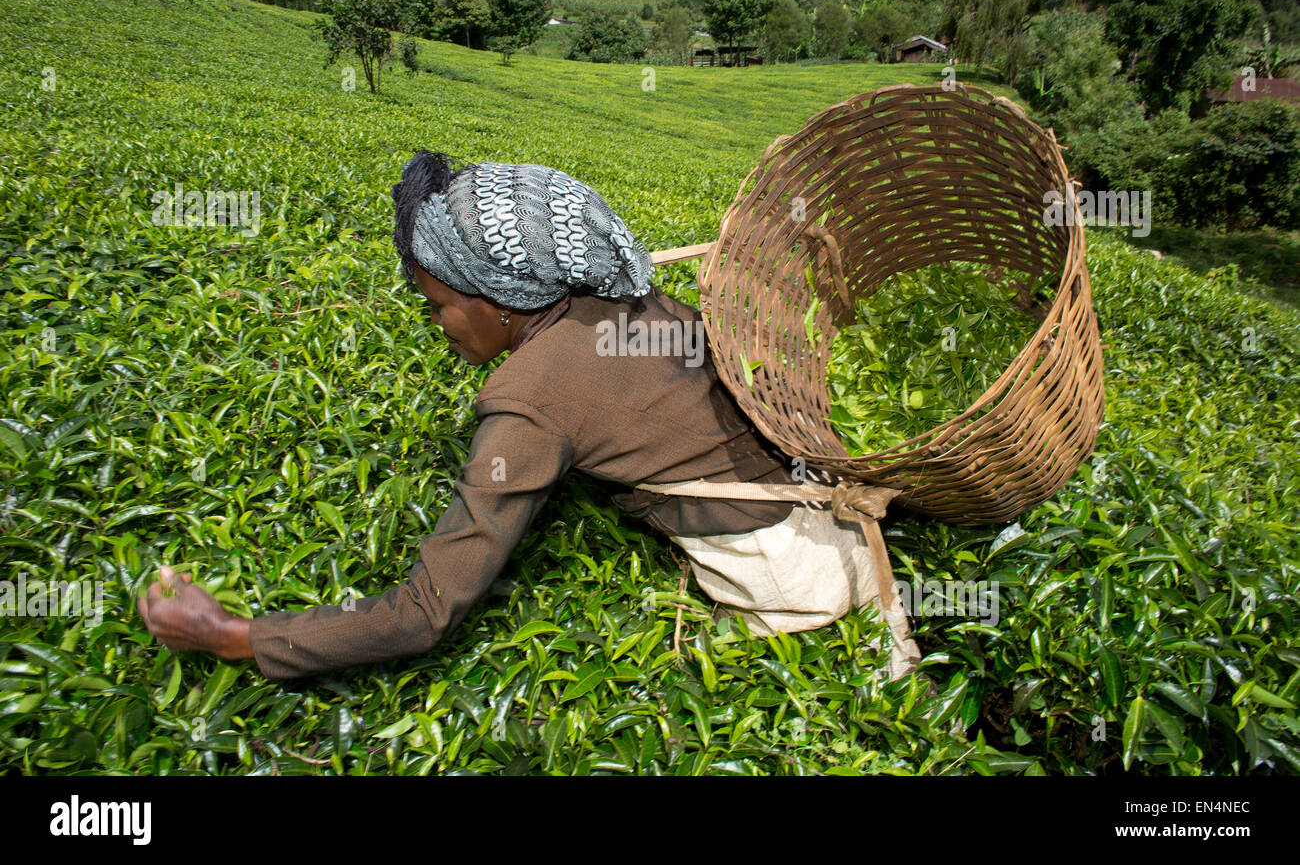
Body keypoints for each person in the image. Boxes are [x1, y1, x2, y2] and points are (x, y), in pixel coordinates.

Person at [137, 151, 916, 680]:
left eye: (437, 303)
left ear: (496, 298)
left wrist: (235, 635)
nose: (435, 323)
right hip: (849, 529)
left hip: (795, 589)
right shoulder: (627, 294)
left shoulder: (531, 399)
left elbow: (425, 612)